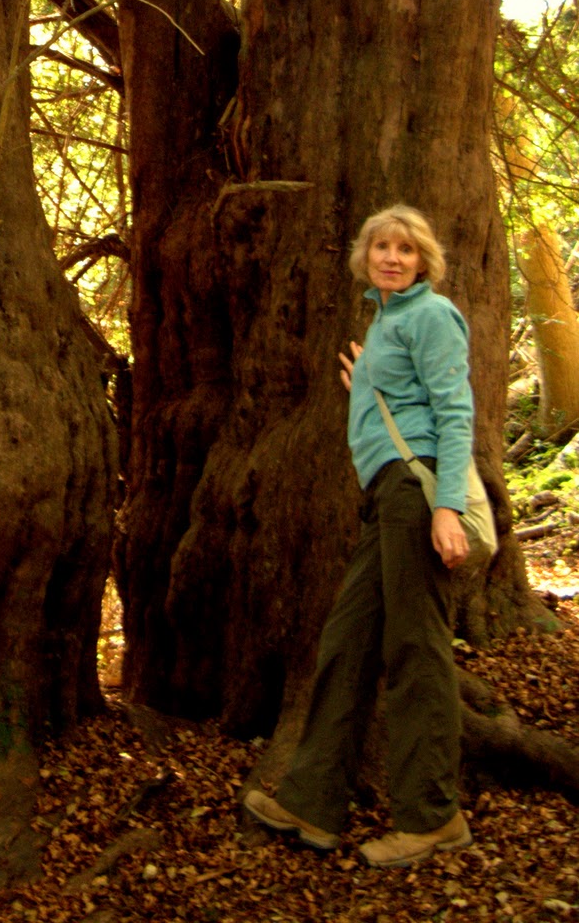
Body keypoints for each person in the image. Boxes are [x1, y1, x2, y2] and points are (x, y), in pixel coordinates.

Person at [244, 204, 476, 868]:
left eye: (406, 249)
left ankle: (434, 817)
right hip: (385, 498)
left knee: (416, 650)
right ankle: (312, 802)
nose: (392, 258)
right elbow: (404, 398)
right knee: (347, 645)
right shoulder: (386, 323)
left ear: (423, 261)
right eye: (382, 247)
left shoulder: (431, 315)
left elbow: (455, 411)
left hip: (415, 492)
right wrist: (366, 383)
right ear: (365, 256)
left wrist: (447, 507)